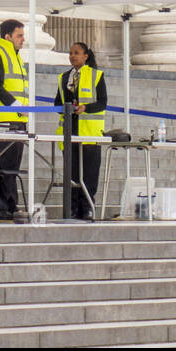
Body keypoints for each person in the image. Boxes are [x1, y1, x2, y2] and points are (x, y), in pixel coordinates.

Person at [54, 41, 107, 220]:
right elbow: (57, 102)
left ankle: (88, 207)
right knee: (73, 173)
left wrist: (85, 108)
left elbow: (102, 102)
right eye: (70, 52)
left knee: (90, 173)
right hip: (69, 131)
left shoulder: (96, 75)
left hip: (90, 132)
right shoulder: (63, 77)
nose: (72, 56)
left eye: (76, 52)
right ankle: (73, 207)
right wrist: (66, 106)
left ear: (86, 56)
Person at [0, 19, 29, 219]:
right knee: (6, 165)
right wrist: (15, 104)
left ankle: (9, 205)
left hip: (17, 118)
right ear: (7, 36)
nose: (23, 39)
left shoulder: (16, 56)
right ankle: (5, 207)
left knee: (12, 166)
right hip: (4, 118)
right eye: (19, 35)